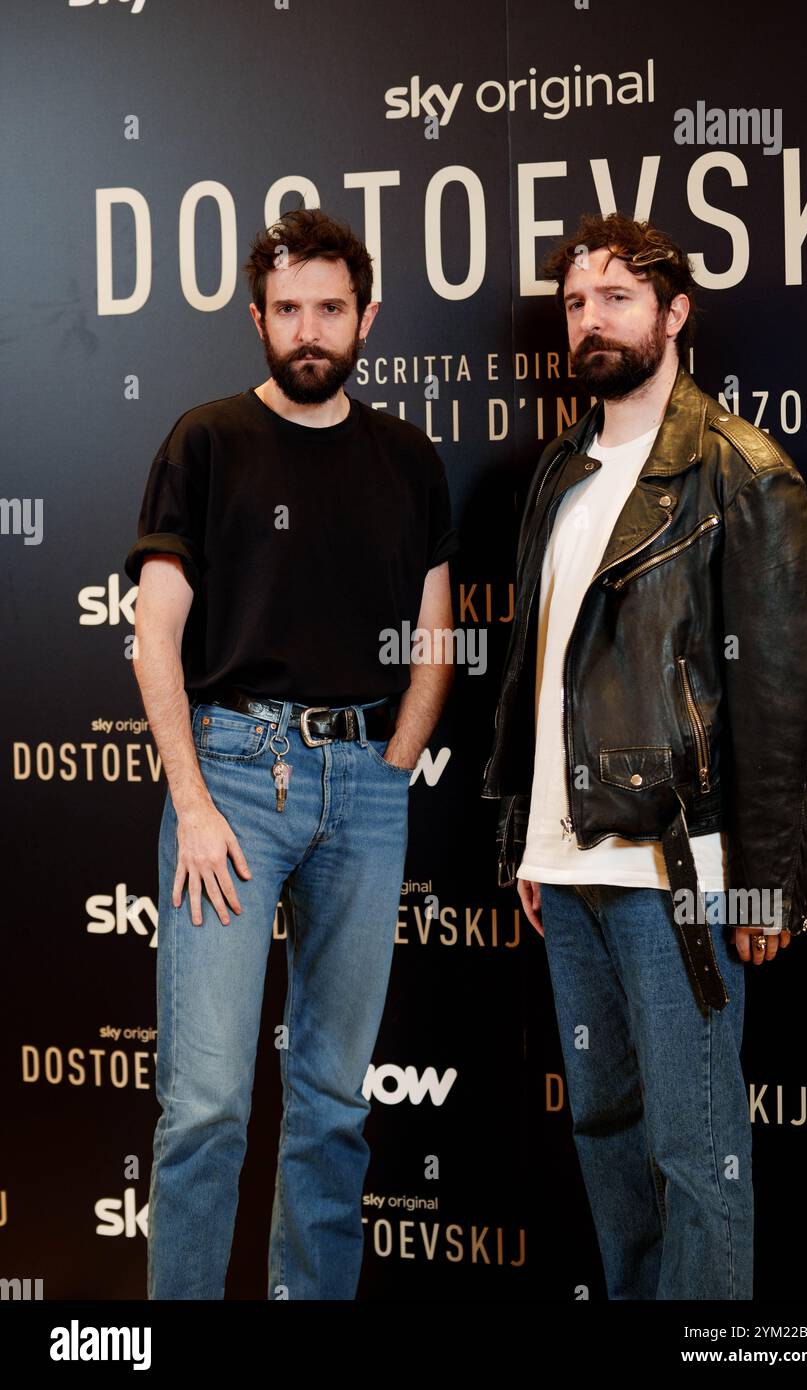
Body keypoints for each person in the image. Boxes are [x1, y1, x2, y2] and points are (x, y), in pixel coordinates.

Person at [481, 212, 807, 1300]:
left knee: (696, 1154)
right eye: (578, 301)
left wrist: (769, 882)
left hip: (678, 873)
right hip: (570, 863)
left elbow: (788, 698)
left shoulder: (741, 470)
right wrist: (528, 838)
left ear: (674, 314)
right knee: (604, 1137)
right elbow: (540, 675)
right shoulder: (559, 472)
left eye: (618, 297)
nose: (592, 319)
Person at [125, 206, 458, 1300]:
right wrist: (194, 799)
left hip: (361, 786)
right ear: (255, 319)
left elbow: (433, 633)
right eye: (286, 312)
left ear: (367, 318)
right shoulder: (206, 439)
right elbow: (154, 636)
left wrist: (393, 763)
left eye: (328, 310)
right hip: (228, 780)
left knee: (331, 1099)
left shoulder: (407, 459)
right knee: (210, 1099)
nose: (307, 331)